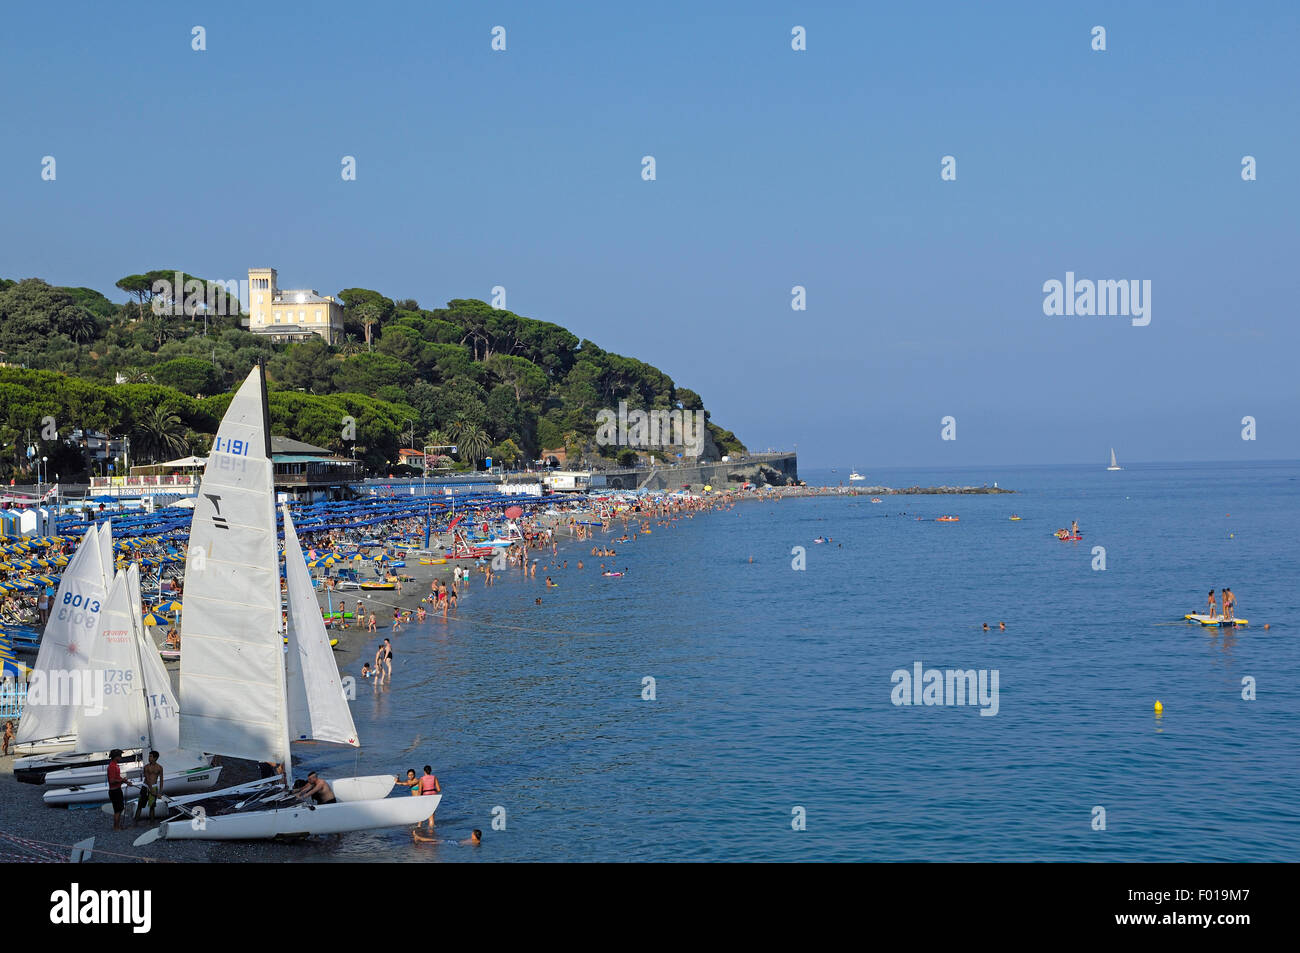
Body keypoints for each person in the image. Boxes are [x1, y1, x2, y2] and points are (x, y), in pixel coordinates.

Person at [134, 750, 164, 824]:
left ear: (155, 758)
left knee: (152, 807)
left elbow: (161, 780)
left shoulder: (160, 767)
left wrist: (160, 792)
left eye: (150, 756)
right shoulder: (146, 767)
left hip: (154, 787)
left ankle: (152, 823)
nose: (149, 758)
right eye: (149, 756)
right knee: (140, 806)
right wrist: (151, 789)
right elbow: (147, 778)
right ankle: (135, 824)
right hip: (145, 787)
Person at [107, 749, 127, 830]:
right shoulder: (112, 766)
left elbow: (117, 778)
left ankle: (117, 826)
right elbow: (111, 781)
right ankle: (116, 827)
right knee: (117, 810)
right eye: (120, 756)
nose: (121, 757)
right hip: (114, 791)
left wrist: (125, 781)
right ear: (116, 757)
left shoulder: (115, 765)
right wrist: (122, 780)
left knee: (120, 808)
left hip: (117, 790)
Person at [418, 765, 441, 830]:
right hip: (433, 795)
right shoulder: (434, 777)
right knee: (432, 814)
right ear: (430, 771)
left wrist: (417, 799)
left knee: (424, 811)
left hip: (426, 795)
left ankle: (430, 831)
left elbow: (420, 791)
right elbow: (439, 789)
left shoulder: (422, 779)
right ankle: (432, 828)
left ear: (424, 771)